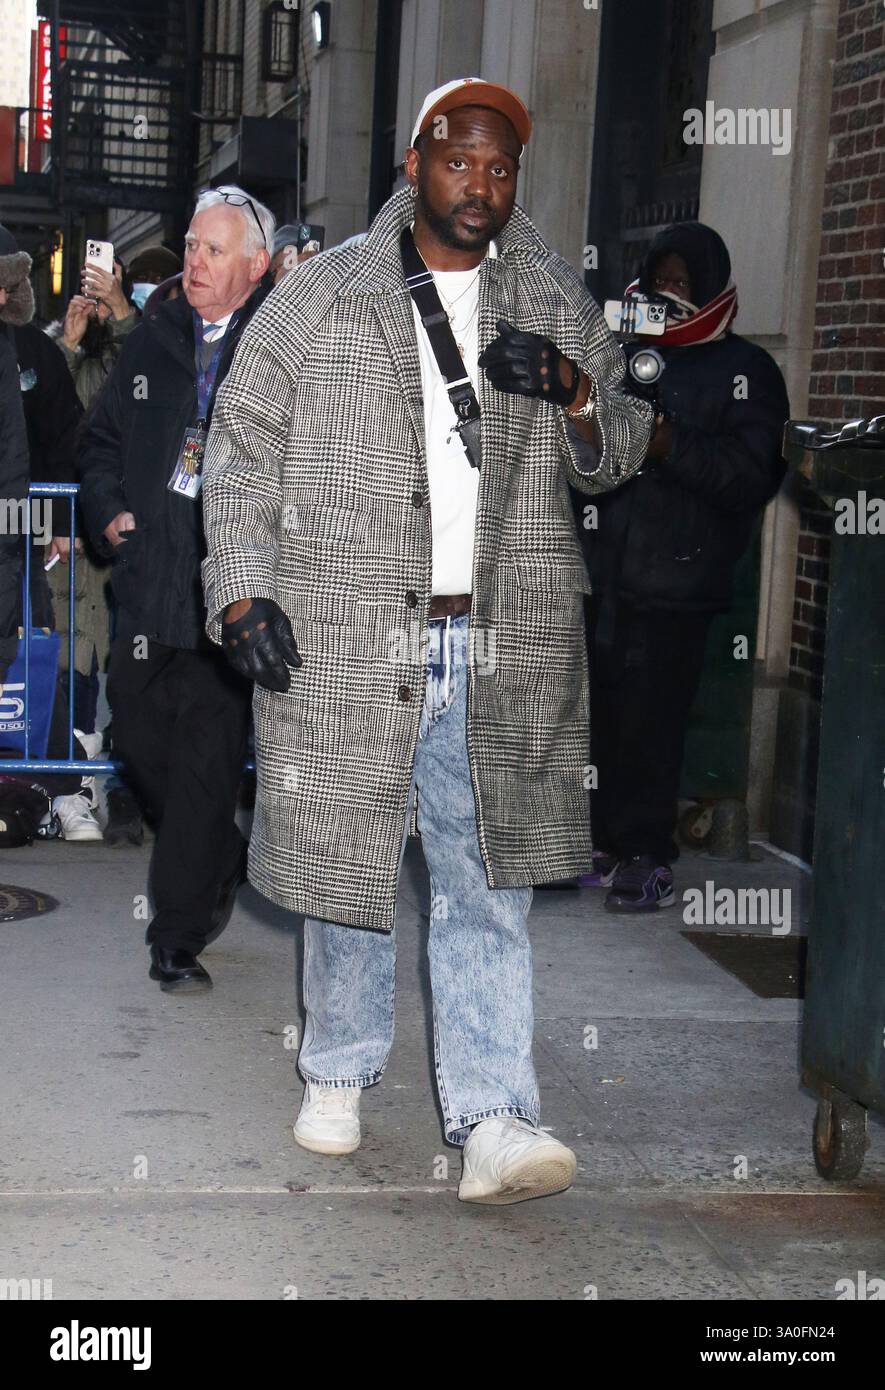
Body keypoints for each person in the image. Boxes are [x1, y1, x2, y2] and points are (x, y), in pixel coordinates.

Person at [202, 79, 652, 1205]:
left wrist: (575, 391)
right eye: (462, 161)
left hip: (497, 639)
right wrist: (241, 591)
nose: (482, 185)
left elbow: (628, 444)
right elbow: (242, 448)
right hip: (354, 632)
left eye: (502, 168)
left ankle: (495, 1117)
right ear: (415, 164)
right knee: (349, 868)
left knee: (485, 880)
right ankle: (341, 1068)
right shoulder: (323, 296)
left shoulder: (551, 291)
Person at [78, 185, 276, 989]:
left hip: (228, 598)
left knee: (203, 767)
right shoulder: (154, 335)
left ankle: (176, 935)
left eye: (212, 250)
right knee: (136, 742)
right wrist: (109, 512)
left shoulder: (280, 346)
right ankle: (220, 854)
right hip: (147, 585)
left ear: (255, 266)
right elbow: (99, 443)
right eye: (191, 246)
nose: (193, 261)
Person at [576, 222, 789, 911]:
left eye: (679, 283)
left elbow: (748, 476)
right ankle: (598, 841)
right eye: (656, 279)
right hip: (602, 576)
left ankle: (647, 855)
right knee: (596, 720)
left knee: (652, 724)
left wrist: (669, 441)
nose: (664, 295)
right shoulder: (618, 356)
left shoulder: (747, 371)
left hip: (677, 583)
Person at [0, 224, 99, 833]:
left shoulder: (32, 352)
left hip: (18, 537)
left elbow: (65, 433)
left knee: (34, 657)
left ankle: (59, 786)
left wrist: (59, 518)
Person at [46, 257, 143, 845]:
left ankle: (114, 783)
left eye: (107, 287)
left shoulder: (135, 345)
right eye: (90, 288)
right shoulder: (63, 351)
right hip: (68, 533)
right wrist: (68, 343)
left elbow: (144, 381)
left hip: (123, 532)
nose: (98, 299)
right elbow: (40, 416)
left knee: (123, 667)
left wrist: (123, 313)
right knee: (68, 663)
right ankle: (69, 789)